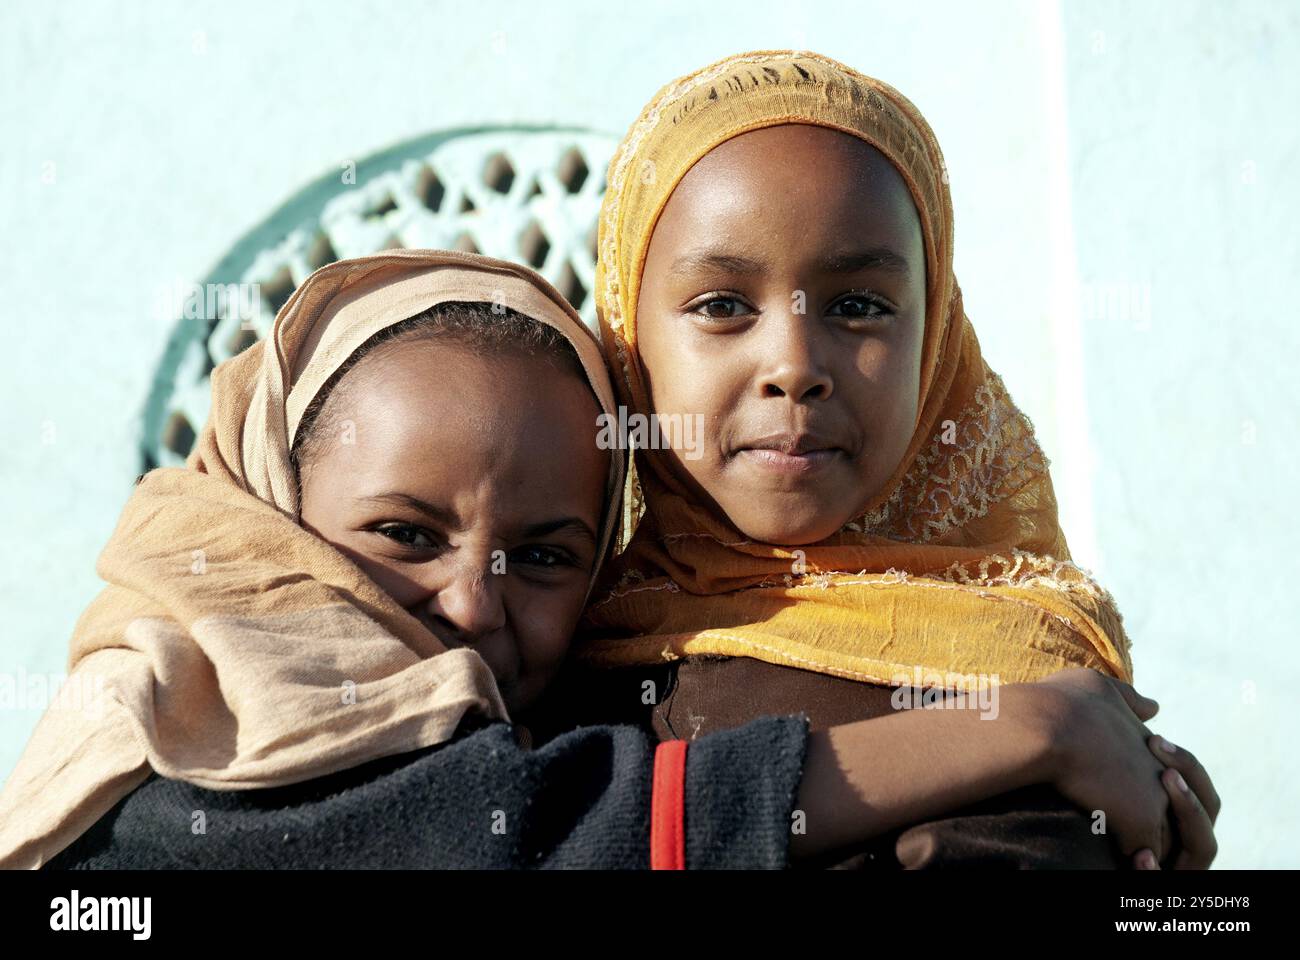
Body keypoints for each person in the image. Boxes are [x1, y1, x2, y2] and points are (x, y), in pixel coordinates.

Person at [523, 49, 1219, 869]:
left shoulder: (1037, 673)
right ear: (629, 341)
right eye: (721, 305)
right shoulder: (536, 641)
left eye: (858, 306)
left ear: (938, 342)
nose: (794, 365)